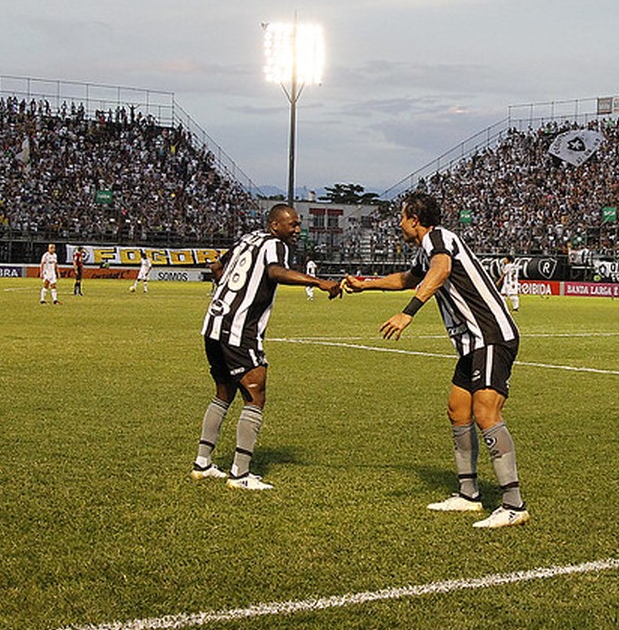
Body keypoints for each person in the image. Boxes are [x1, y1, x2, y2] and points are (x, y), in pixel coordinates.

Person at [344, 192, 529, 529]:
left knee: (486, 412)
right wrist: (365, 285)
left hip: (490, 334)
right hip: (472, 342)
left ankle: (513, 504)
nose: (399, 223)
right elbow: (407, 279)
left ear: (415, 219)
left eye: (402, 217)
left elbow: (441, 271)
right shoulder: (427, 247)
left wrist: (407, 313)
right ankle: (468, 494)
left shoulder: (440, 238)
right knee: (458, 410)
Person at [191, 204, 343, 490]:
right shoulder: (275, 244)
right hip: (239, 331)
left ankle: (203, 463)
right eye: (292, 225)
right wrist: (319, 282)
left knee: (223, 393)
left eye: (298, 224)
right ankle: (240, 474)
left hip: (213, 323)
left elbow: (216, 267)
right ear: (275, 225)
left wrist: (228, 290)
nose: (297, 230)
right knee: (255, 395)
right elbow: (275, 272)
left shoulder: (248, 238)